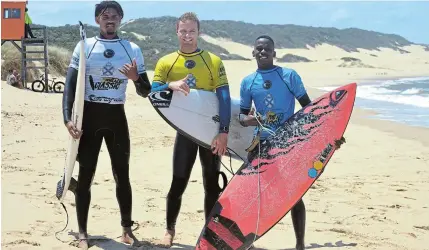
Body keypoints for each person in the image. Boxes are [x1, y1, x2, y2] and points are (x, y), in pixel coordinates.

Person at [238, 35, 346, 250]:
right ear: (253, 53)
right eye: (259, 48)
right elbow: (242, 117)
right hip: (262, 143)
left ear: (274, 52)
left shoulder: (289, 76)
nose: (262, 52)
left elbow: (309, 109)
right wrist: (247, 120)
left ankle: (299, 244)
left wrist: (329, 134)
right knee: (254, 194)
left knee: (294, 195)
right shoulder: (248, 82)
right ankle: (247, 242)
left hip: (289, 142)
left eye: (267, 48)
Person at [58, 1, 151, 249]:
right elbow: (70, 87)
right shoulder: (85, 47)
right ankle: (83, 233)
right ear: (97, 20)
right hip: (89, 118)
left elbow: (145, 91)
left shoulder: (132, 49)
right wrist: (67, 118)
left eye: (114, 16)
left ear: (121, 19)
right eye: (104, 15)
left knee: (123, 176)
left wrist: (135, 79)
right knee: (85, 177)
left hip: (116, 118)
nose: (110, 19)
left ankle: (127, 230)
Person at [150, 12, 231, 248]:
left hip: (210, 132)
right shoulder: (167, 62)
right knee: (178, 181)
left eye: (191, 31)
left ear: (199, 33)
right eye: (183, 31)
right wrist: (170, 85)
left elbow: (224, 98)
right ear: (177, 31)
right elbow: (153, 91)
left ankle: (209, 232)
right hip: (185, 132)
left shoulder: (213, 60)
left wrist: (223, 131)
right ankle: (169, 231)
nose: (187, 35)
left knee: (211, 184)